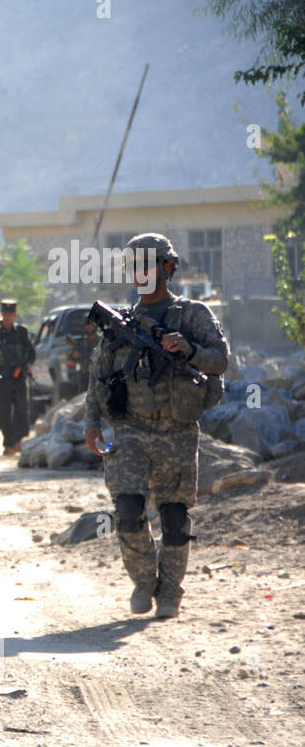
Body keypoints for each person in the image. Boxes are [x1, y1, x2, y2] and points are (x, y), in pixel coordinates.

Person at [84, 232, 228, 619]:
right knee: (128, 509)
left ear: (167, 267)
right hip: (130, 428)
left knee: (175, 517)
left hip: (177, 429)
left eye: (147, 265)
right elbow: (98, 376)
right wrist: (92, 422)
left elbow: (220, 361)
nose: (140, 273)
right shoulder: (122, 321)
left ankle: (170, 592)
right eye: (134, 266)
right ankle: (144, 581)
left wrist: (190, 349)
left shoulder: (193, 315)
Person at [0, 298, 36, 455]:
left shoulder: (21, 333)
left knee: (21, 409)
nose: (8, 316)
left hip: (18, 377)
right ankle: (8, 443)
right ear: (2, 314)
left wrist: (27, 365)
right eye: (5, 313)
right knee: (4, 411)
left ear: (15, 314)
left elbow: (31, 352)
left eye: (11, 313)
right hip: (1, 377)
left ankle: (21, 440)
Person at [66, 318, 100, 396]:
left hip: (99, 377)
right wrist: (74, 356)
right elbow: (71, 361)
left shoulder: (101, 341)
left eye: (91, 325)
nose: (89, 327)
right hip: (85, 378)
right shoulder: (82, 343)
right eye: (87, 325)